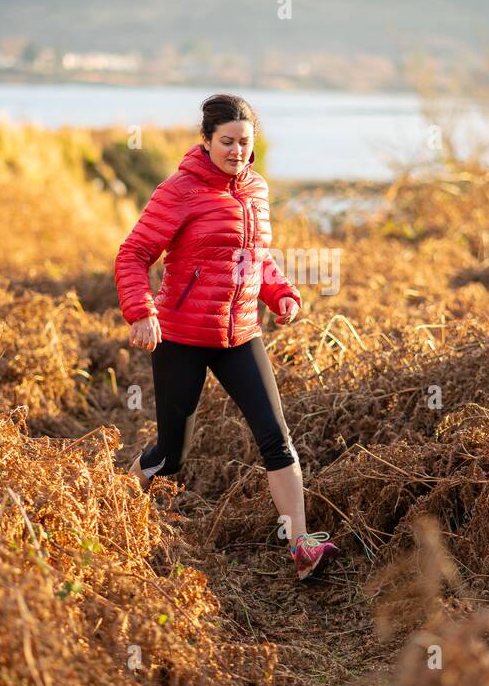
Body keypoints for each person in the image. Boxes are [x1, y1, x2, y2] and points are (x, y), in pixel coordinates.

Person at [114, 93, 338, 581]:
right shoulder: (180, 191)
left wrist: (280, 293)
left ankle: (301, 545)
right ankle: (116, 510)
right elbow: (132, 254)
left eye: (245, 142)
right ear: (207, 140)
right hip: (181, 338)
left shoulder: (256, 190)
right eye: (227, 141)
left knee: (277, 440)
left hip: (240, 335)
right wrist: (141, 312)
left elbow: (257, 256)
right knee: (172, 456)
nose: (237, 151)